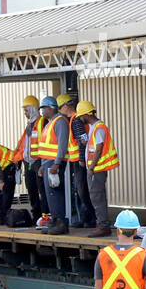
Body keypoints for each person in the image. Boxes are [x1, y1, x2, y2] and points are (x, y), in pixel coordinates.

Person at [34, 95, 76, 235]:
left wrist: (57, 164)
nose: (42, 112)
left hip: (54, 164)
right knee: (50, 194)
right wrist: (42, 165)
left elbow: (62, 145)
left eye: (44, 108)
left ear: (51, 108)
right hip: (48, 163)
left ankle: (60, 223)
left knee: (55, 193)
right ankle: (55, 221)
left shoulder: (60, 122)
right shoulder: (50, 122)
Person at [79, 100, 118, 237]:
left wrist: (92, 167)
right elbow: (94, 146)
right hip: (95, 168)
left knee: (97, 197)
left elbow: (99, 148)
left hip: (97, 169)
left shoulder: (99, 127)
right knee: (97, 196)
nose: (80, 118)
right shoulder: (94, 128)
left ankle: (103, 226)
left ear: (86, 114)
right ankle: (102, 223)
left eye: (81, 115)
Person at [60, 95, 94, 228]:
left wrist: (81, 158)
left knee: (83, 190)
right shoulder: (73, 120)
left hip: (80, 162)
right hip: (77, 161)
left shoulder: (76, 121)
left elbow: (82, 140)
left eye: (59, 107)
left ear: (66, 106)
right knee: (80, 190)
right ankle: (86, 218)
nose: (59, 111)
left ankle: (91, 218)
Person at [15, 95, 49, 224]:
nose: (25, 113)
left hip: (39, 161)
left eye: (26, 110)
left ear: (33, 109)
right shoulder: (29, 125)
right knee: (31, 189)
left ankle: (45, 215)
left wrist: (42, 161)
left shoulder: (42, 122)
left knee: (43, 190)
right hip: (28, 162)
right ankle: (36, 215)